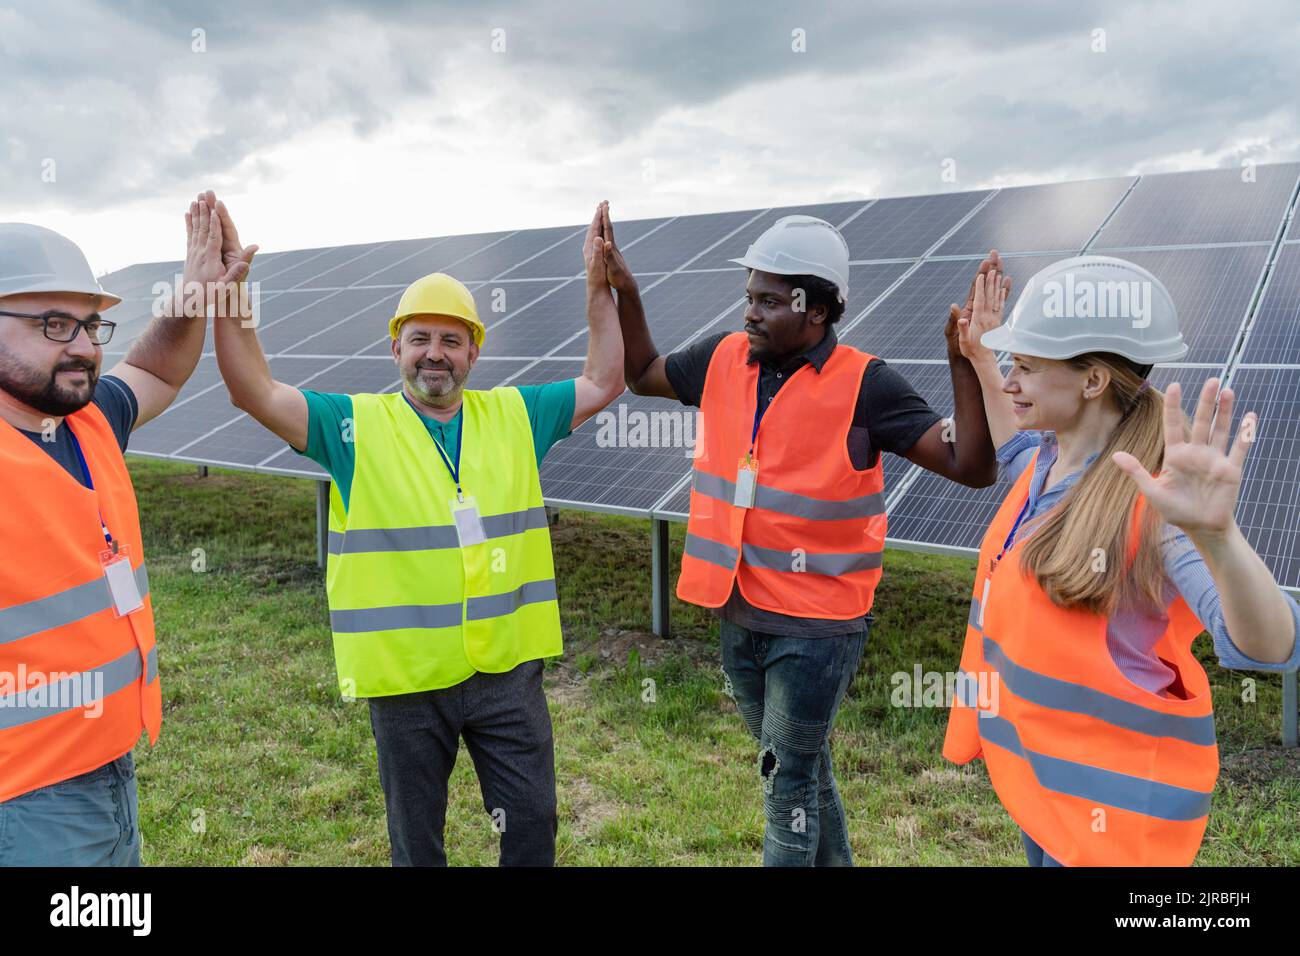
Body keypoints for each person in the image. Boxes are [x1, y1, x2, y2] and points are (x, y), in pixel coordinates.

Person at [212, 201, 625, 866]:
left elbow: (605, 379)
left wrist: (595, 287)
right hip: (406, 681)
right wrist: (229, 296)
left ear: (474, 350)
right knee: (417, 843)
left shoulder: (519, 414)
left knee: (531, 826)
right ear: (396, 347)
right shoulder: (352, 427)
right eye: (420, 339)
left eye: (452, 339)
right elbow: (254, 391)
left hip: (506, 672)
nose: (436, 353)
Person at [605, 207, 1001, 865]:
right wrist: (627, 290)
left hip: (817, 631)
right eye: (748, 297)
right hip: (739, 615)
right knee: (800, 766)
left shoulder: (866, 386)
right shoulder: (722, 359)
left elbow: (972, 466)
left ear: (816, 311)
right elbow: (643, 372)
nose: (749, 313)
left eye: (766, 300)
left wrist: (961, 365)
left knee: (784, 781)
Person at [945, 254, 1300, 867]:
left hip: (1112, 825)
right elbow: (1014, 451)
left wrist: (1218, 537)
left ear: (1092, 382)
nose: (1009, 383)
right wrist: (979, 354)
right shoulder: (1046, 464)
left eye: (1026, 368)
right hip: (1047, 790)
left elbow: (1270, 646)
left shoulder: (1156, 504)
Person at [0, 194, 254, 865]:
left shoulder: (87, 419)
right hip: (24, 799)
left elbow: (156, 369)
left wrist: (191, 296)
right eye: (55, 325)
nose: (84, 347)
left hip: (108, 768)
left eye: (90, 326)